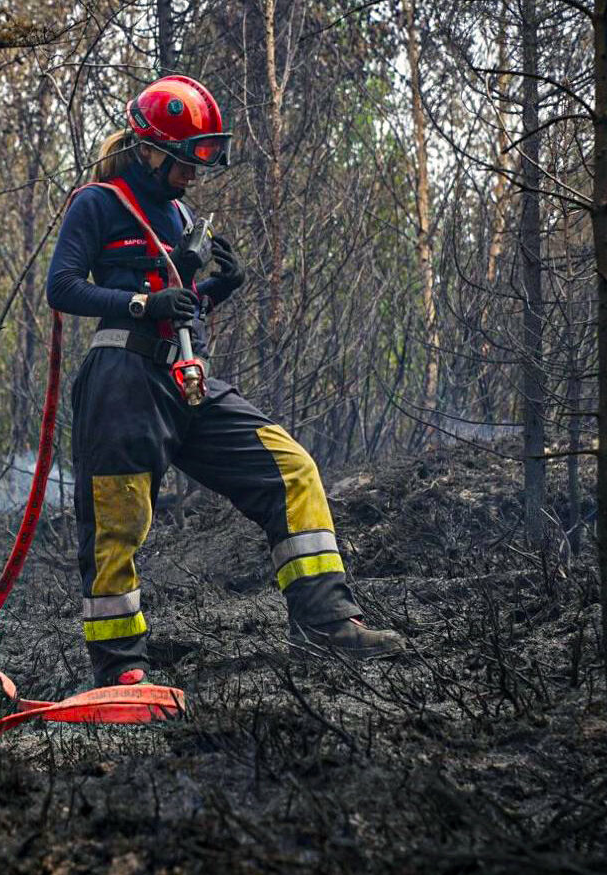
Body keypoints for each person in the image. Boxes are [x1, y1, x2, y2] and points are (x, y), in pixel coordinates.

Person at [46, 75, 406, 688]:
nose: (193, 176)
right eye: (184, 163)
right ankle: (120, 669)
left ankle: (328, 627)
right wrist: (143, 304)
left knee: (292, 471)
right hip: (120, 383)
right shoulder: (99, 202)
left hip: (186, 380)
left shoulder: (182, 212)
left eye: (200, 164)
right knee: (119, 522)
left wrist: (215, 289)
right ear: (150, 148)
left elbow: (180, 307)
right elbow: (63, 287)